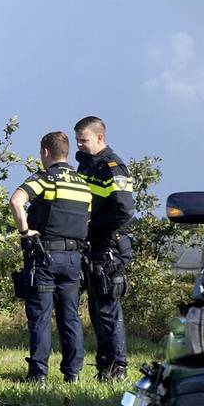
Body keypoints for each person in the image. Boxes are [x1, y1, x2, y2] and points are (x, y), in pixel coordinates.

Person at [9, 131, 92, 383]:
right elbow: (87, 219)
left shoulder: (45, 179)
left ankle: (38, 375)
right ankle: (73, 374)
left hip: (45, 256)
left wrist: (26, 232)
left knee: (41, 317)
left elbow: (16, 201)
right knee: (70, 317)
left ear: (46, 152)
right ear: (66, 152)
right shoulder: (82, 184)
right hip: (73, 259)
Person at [73, 116, 135, 382]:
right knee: (97, 311)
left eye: (83, 140)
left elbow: (124, 209)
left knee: (108, 308)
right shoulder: (87, 167)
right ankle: (104, 366)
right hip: (92, 245)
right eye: (77, 140)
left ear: (100, 138)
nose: (79, 144)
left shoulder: (113, 167)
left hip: (108, 245)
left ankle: (117, 367)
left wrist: (93, 227)